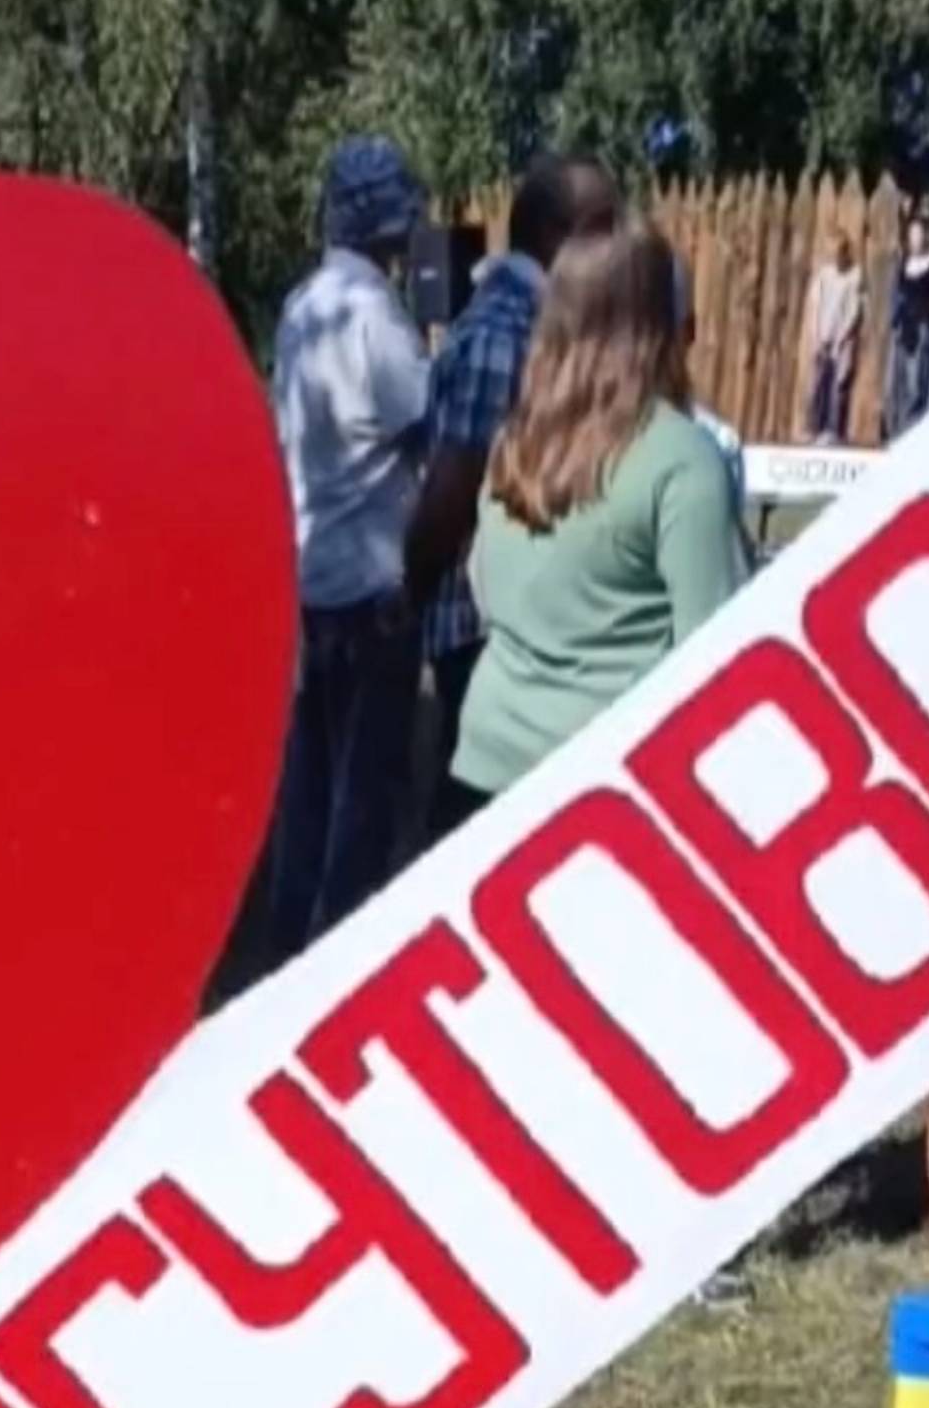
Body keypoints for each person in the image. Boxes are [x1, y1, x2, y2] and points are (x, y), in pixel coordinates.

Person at [439, 225, 747, 831]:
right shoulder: (683, 460)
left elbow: (484, 588)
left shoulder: (516, 444)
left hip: (480, 774)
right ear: (661, 324)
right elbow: (718, 659)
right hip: (600, 797)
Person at [264, 134, 432, 955]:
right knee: (364, 795)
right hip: (375, 584)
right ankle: (340, 956)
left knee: (309, 784)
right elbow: (425, 428)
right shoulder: (375, 314)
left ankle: (285, 948)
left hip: (311, 571)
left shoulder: (302, 307)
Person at [405, 152, 619, 790]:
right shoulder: (506, 333)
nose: (616, 253)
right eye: (603, 231)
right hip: (485, 632)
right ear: (557, 236)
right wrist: (409, 593)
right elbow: (455, 484)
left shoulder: (538, 328)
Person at [887, 213, 929, 435]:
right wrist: (895, 322)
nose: (915, 238)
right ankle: (898, 428)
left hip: (924, 326)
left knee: (917, 382)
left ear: (926, 236)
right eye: (912, 234)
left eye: (918, 234)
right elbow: (900, 295)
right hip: (905, 327)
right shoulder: (905, 263)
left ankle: (914, 427)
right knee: (898, 381)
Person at [805, 233, 864, 439]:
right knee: (817, 384)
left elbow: (853, 311)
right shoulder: (824, 275)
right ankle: (814, 428)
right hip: (823, 335)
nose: (836, 258)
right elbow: (815, 305)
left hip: (842, 338)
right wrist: (816, 335)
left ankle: (835, 431)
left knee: (839, 385)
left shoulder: (854, 275)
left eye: (839, 253)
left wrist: (841, 338)